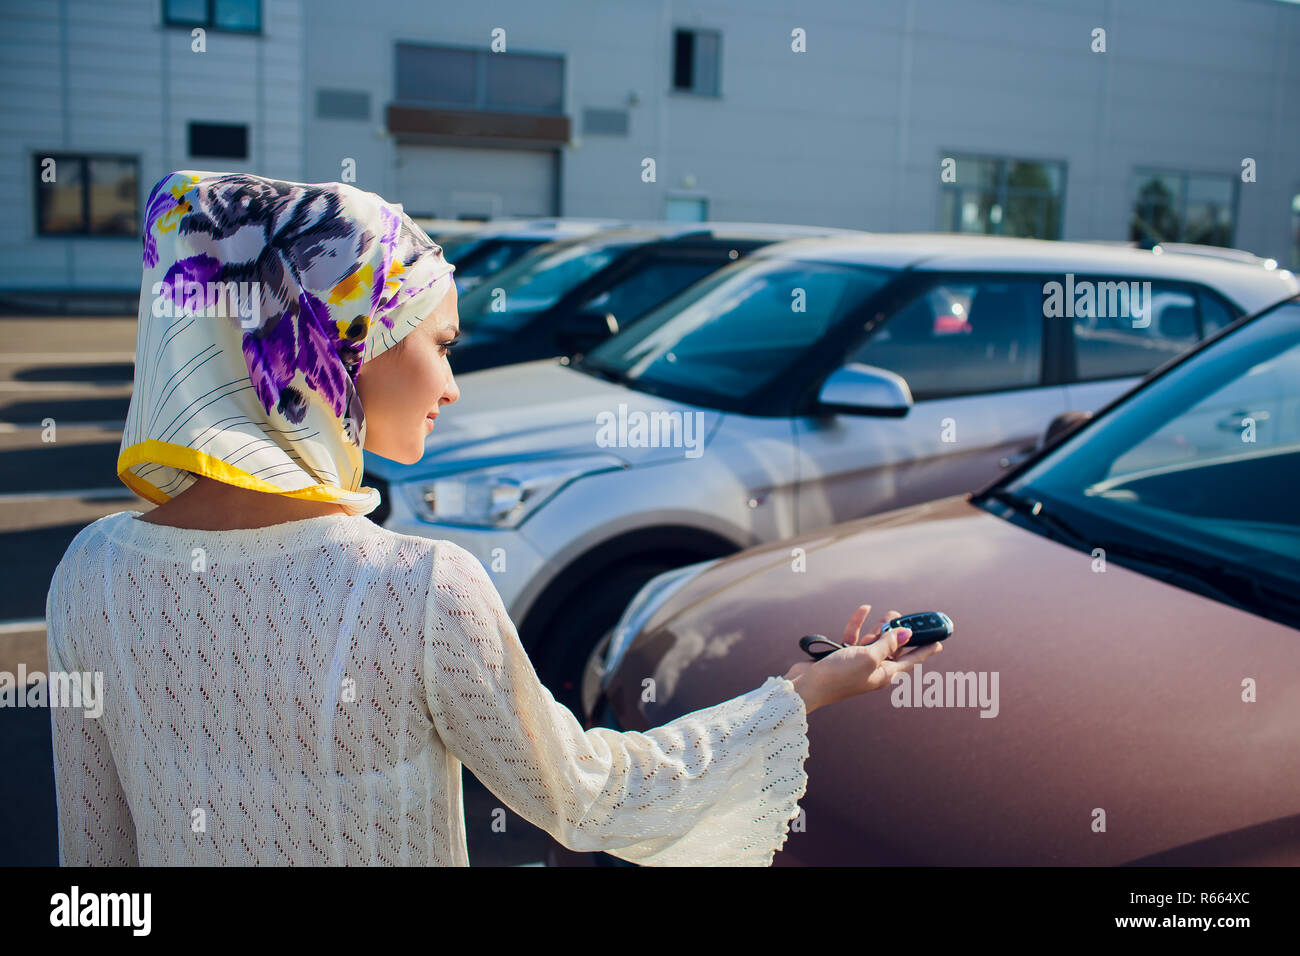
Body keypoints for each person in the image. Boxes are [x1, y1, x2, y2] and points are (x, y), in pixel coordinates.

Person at [44, 170, 943, 867]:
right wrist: (801, 694)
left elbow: (94, 867)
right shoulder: (417, 589)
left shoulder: (90, 572)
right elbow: (593, 797)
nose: (450, 386)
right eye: (440, 345)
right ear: (343, 344)